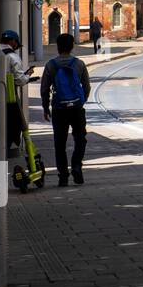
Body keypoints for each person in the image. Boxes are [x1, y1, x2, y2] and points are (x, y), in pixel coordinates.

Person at [40, 33, 91, 186]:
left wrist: (45, 107)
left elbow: (44, 89)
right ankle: (76, 165)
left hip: (59, 109)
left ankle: (63, 176)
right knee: (80, 138)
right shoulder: (79, 64)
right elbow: (86, 87)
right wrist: (80, 102)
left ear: (58, 47)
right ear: (72, 46)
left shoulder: (51, 65)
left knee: (60, 143)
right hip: (76, 108)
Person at [0, 30, 33, 156]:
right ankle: (6, 150)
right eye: (16, 44)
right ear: (13, 41)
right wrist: (28, 76)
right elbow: (19, 80)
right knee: (13, 125)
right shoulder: (12, 57)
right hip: (9, 97)